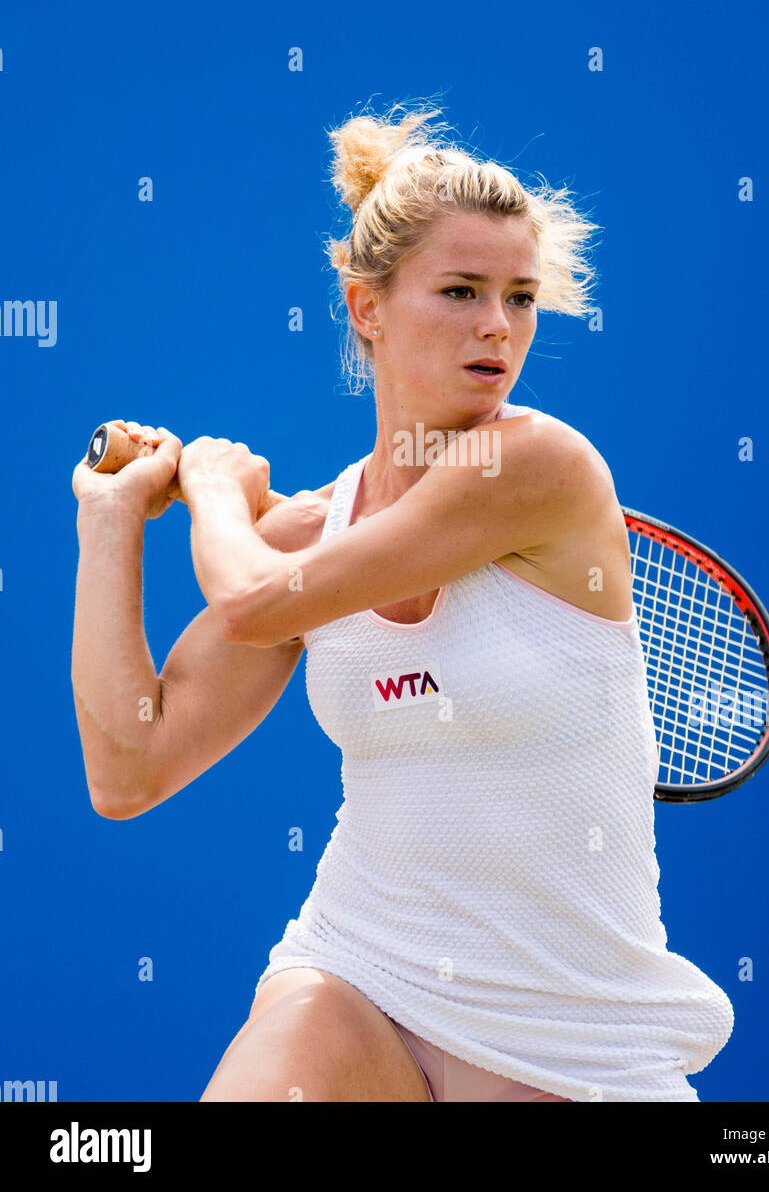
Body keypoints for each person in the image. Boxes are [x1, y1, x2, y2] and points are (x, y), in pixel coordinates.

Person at [71, 101, 734, 1102]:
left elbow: (253, 601)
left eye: (519, 297)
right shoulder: (308, 533)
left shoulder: (538, 466)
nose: (496, 328)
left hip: (579, 1048)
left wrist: (209, 487)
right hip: (362, 972)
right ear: (366, 308)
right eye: (460, 291)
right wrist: (112, 522)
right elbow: (130, 765)